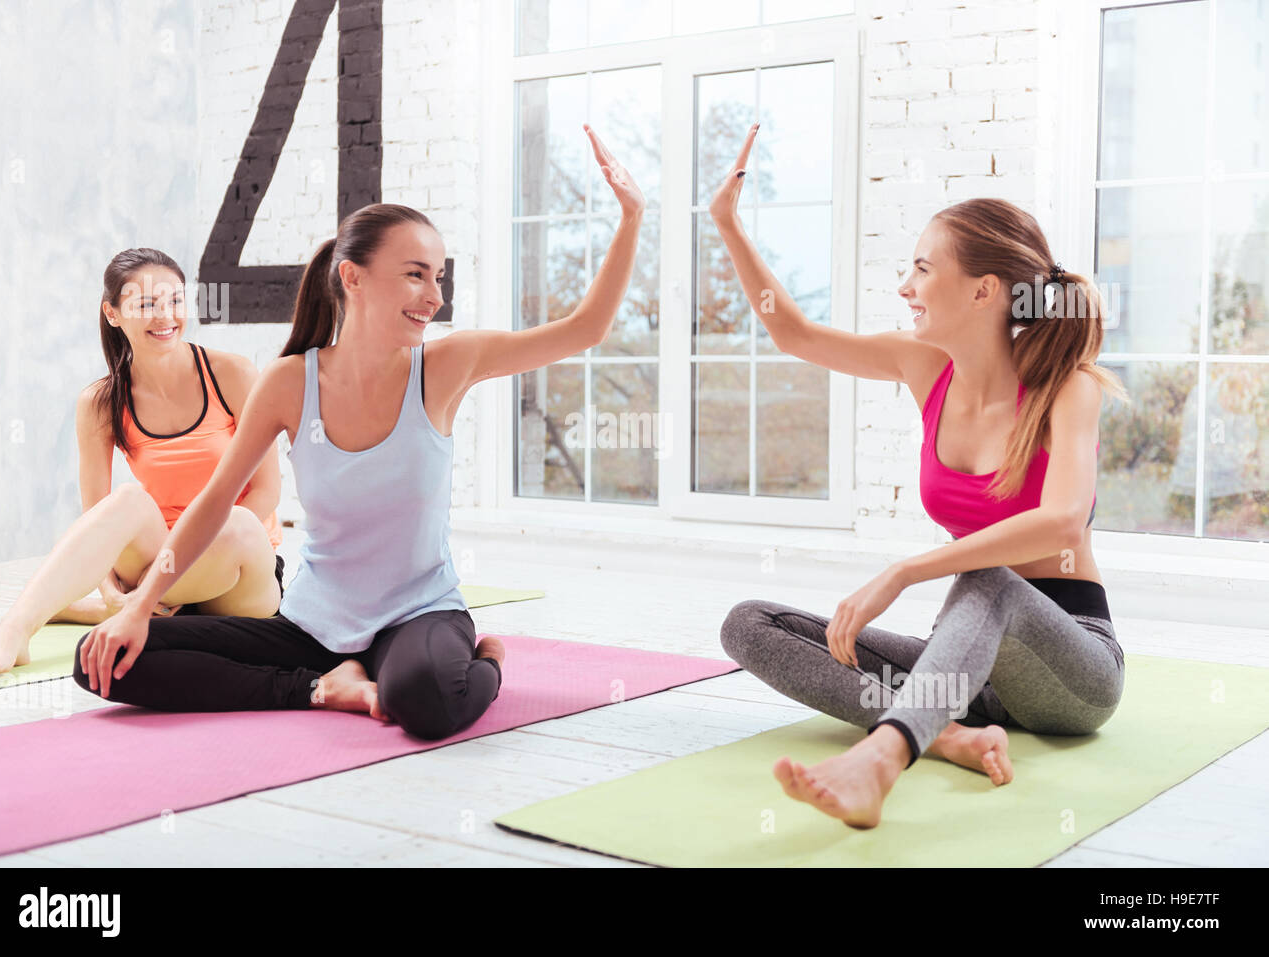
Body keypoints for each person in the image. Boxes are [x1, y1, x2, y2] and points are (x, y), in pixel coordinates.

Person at [72, 125, 645, 740]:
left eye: (439, 277)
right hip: (314, 625)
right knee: (102, 659)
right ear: (353, 278)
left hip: (420, 615)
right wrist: (138, 606)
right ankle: (321, 689)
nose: (434, 296)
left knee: (426, 701)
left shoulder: (448, 366)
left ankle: (489, 660)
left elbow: (584, 330)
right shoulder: (291, 381)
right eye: (415, 275)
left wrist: (631, 215)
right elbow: (216, 501)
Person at [712, 125, 1127, 828]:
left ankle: (884, 757)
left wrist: (905, 570)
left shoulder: (1068, 387)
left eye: (924, 269)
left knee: (992, 576)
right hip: (966, 669)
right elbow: (794, 334)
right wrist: (727, 224)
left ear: (983, 291)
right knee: (752, 624)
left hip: (1072, 669)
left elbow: (1063, 519)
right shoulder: (922, 366)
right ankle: (952, 734)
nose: (905, 286)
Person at [0, 249, 283, 676]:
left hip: (235, 569)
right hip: (159, 561)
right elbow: (96, 519)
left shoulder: (232, 374)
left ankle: (116, 607)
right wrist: (111, 590)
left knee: (237, 522)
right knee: (128, 500)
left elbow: (267, 489)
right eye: (146, 305)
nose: (165, 316)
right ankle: (16, 629)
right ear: (113, 314)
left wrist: (146, 586)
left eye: (174, 300)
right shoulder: (100, 402)